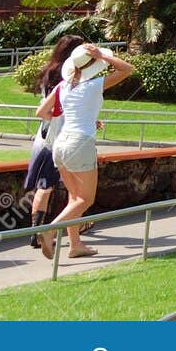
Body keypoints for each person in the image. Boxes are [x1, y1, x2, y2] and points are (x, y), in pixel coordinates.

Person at [38, 43, 133, 260]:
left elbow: (43, 112)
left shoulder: (63, 86)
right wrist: (103, 55)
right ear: (95, 66)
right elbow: (127, 69)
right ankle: (49, 230)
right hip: (80, 144)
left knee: (74, 197)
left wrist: (87, 119)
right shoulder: (93, 86)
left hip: (61, 144)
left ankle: (75, 245)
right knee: (86, 199)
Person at [24, 33, 84, 251]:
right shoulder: (66, 76)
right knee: (61, 187)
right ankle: (43, 233)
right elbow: (47, 110)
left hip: (44, 136)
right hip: (60, 137)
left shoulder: (49, 71)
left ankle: (36, 232)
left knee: (45, 185)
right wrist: (62, 121)